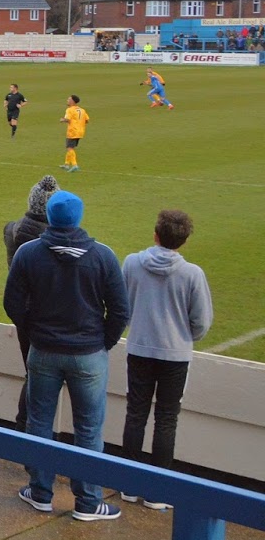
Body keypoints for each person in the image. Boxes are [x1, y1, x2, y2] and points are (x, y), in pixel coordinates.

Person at [6, 190, 128, 522]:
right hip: (87, 353)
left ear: (48, 216)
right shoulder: (102, 255)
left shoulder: (29, 253)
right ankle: (88, 501)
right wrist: (102, 343)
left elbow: (12, 302)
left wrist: (34, 331)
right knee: (88, 429)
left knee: (39, 422)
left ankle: (40, 492)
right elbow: (120, 310)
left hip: (45, 351)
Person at [118, 209, 212, 510]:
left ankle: (129, 485)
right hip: (175, 354)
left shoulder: (132, 263)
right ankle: (158, 492)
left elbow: (122, 305)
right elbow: (201, 321)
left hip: (140, 348)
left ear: (156, 234)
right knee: (166, 419)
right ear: (184, 241)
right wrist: (182, 337)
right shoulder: (192, 274)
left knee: (136, 414)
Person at [2, 176, 60, 428]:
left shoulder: (12, 230)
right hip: (46, 315)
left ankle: (23, 428)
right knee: (41, 377)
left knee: (33, 374)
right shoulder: (50, 241)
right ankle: (31, 430)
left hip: (22, 313)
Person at [59, 94, 88, 173]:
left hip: (72, 131)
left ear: (72, 101)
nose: (67, 100)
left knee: (69, 148)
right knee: (71, 147)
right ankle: (66, 164)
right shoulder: (82, 110)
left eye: (69, 99)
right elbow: (87, 120)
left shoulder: (69, 110)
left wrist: (62, 120)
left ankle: (75, 165)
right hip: (80, 131)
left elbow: (67, 119)